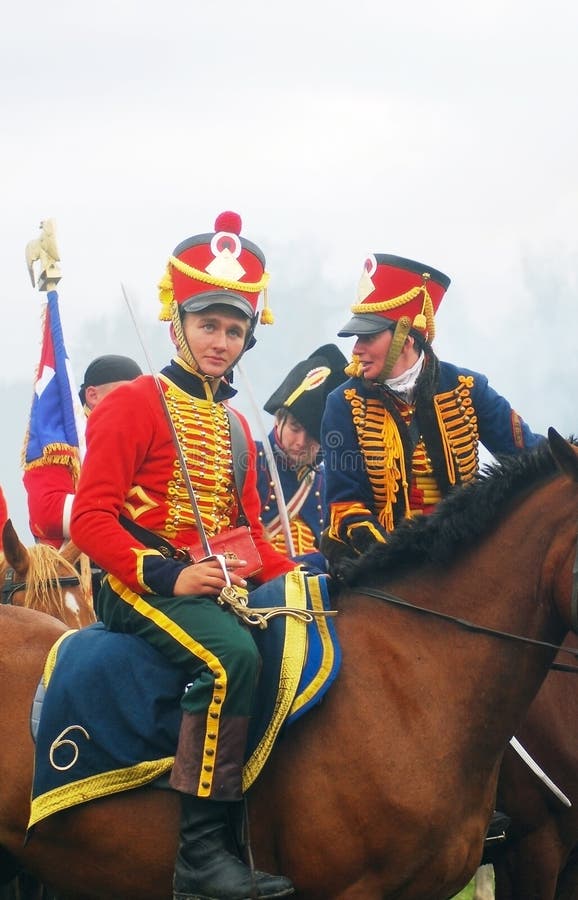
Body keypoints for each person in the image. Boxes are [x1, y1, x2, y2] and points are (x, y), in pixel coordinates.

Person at [70, 211, 296, 900]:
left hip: (216, 583)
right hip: (137, 583)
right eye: (209, 325)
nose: (221, 341)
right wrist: (168, 572)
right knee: (232, 657)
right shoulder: (136, 402)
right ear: (177, 324)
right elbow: (88, 518)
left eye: (234, 330)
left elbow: (254, 535)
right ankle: (200, 855)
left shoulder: (235, 425)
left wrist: (309, 583)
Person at [320, 252, 543, 565]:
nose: (357, 349)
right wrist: (391, 559)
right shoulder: (343, 403)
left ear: (406, 337)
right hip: (382, 567)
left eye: (368, 336)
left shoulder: (467, 387)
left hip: (463, 559)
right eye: (357, 337)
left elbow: (531, 456)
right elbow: (345, 504)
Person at [23, 354, 142, 549]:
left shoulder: (140, 438)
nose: (135, 405)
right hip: (71, 568)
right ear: (93, 395)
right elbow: (47, 513)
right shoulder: (60, 444)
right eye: (125, 395)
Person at [256, 344, 347, 569]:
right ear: (279, 419)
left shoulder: (325, 481)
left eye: (313, 436)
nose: (300, 443)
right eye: (295, 427)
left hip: (311, 585)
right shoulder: (249, 458)